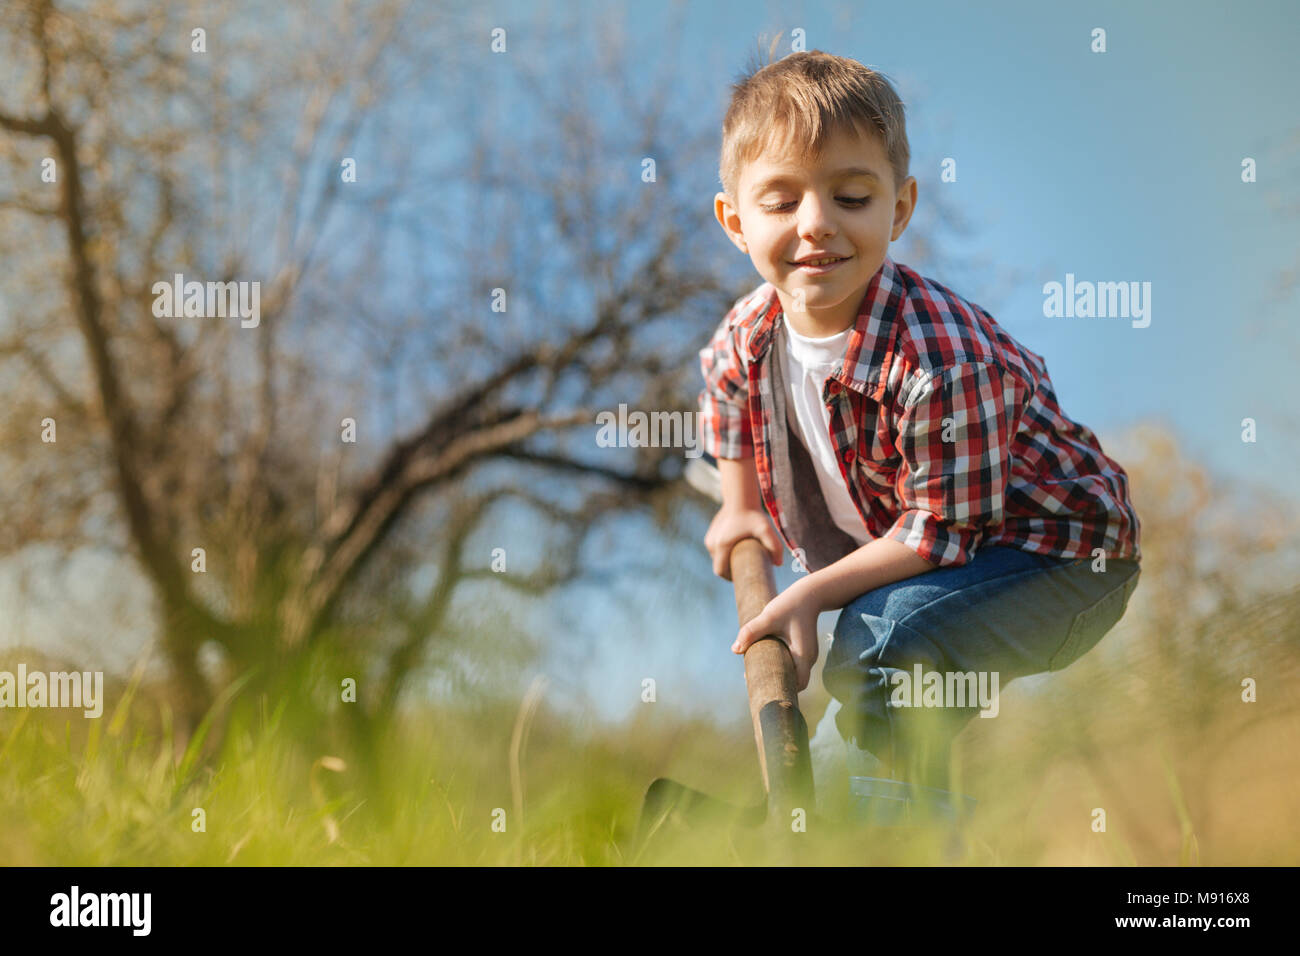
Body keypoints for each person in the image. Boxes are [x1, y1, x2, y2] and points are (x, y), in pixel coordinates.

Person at [697, 49, 1141, 836]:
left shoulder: (939, 362)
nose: (816, 223)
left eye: (851, 195)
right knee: (878, 664)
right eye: (781, 199)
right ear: (736, 221)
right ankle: (843, 826)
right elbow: (725, 389)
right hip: (953, 543)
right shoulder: (750, 330)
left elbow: (940, 532)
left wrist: (808, 592)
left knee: (883, 638)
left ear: (898, 211)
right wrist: (739, 508)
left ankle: (909, 838)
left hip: (1064, 559)